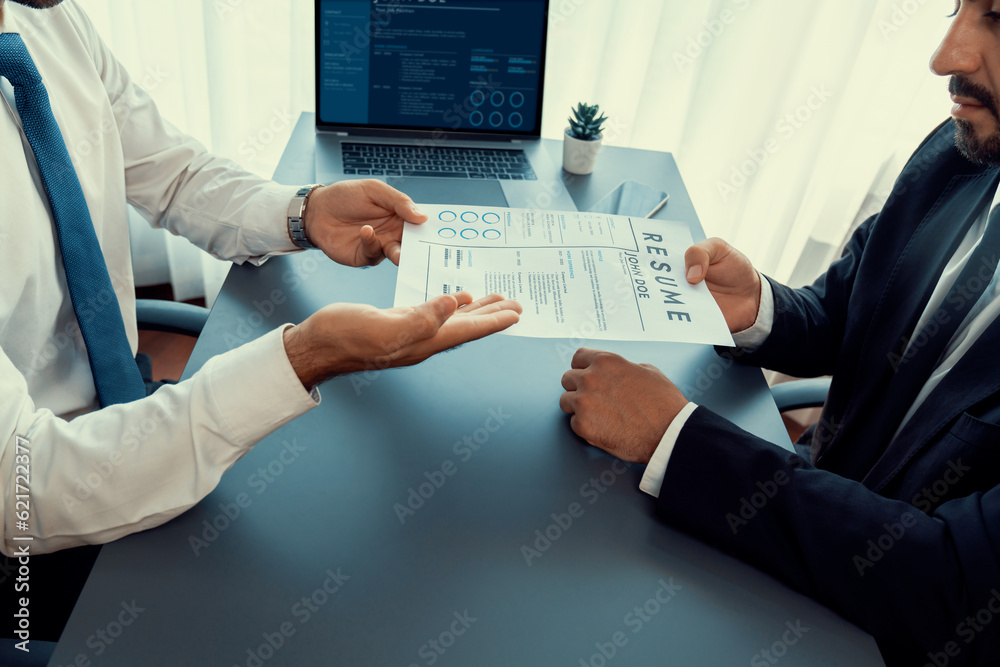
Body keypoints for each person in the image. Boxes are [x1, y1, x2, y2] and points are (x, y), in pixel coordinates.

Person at [0, 0, 521, 647]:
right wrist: (308, 356)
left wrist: (304, 213)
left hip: (131, 408)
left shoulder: (48, 18)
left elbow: (171, 172)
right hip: (38, 530)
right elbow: (25, 486)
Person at [560, 4, 1000, 666]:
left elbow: (953, 583)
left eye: (998, 18)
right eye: (955, 7)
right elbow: (846, 312)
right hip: (796, 541)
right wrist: (759, 306)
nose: (945, 58)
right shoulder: (962, 151)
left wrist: (676, 438)